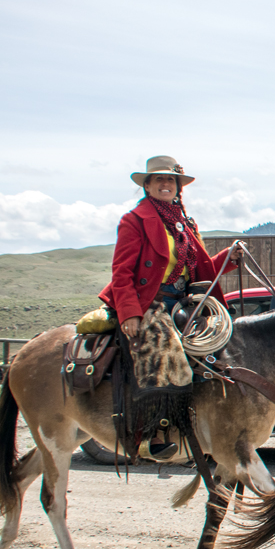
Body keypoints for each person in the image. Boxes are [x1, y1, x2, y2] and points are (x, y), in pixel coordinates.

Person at [98, 155, 241, 459]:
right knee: (163, 349)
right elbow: (121, 272)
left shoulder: (184, 223)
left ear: (178, 187)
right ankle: (154, 430)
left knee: (225, 341)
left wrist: (228, 258)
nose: (166, 184)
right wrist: (130, 313)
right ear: (147, 185)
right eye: (159, 179)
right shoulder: (134, 221)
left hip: (185, 299)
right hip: (151, 301)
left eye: (171, 180)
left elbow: (199, 270)